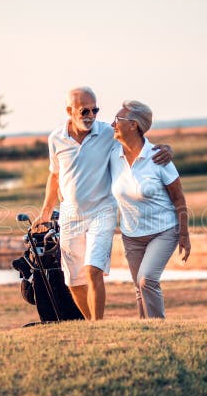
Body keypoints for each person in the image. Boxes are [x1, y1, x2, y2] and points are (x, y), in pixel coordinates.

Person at [34, 87, 172, 321]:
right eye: (84, 110)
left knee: (93, 270)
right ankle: (92, 324)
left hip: (102, 211)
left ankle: (98, 325)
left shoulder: (107, 133)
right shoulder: (55, 139)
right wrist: (46, 210)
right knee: (74, 281)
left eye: (95, 110)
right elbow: (54, 176)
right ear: (70, 111)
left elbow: (136, 143)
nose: (91, 115)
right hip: (70, 214)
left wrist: (167, 149)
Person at [109, 100, 190, 319]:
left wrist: (184, 234)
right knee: (139, 287)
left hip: (164, 231)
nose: (112, 124)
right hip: (131, 235)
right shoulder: (112, 154)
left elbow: (179, 198)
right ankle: (145, 332)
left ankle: (158, 328)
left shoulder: (158, 157)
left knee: (146, 279)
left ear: (133, 125)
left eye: (117, 119)